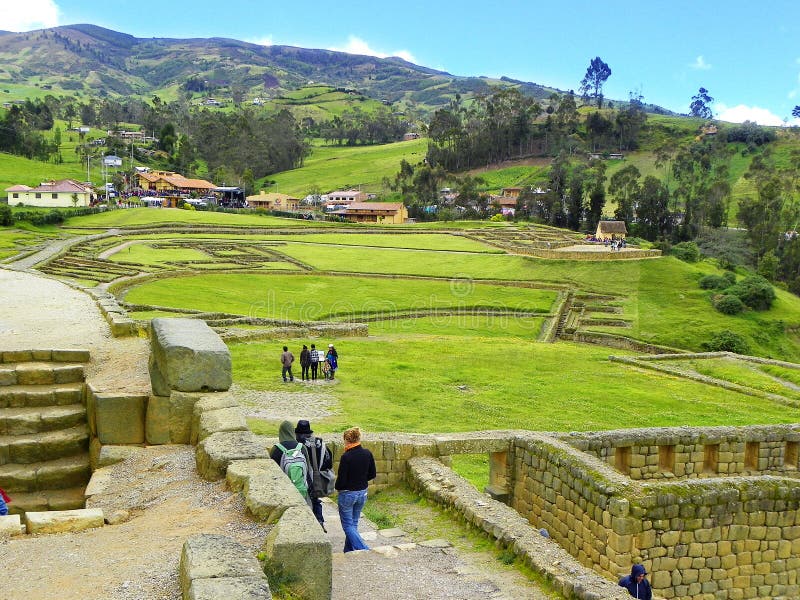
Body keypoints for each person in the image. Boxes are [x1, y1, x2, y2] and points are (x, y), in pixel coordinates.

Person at [335, 427, 376, 552]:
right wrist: (361, 480)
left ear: (347, 440)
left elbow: (341, 480)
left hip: (348, 494)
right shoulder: (367, 453)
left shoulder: (346, 457)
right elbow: (372, 474)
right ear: (358, 438)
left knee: (348, 525)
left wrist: (338, 488)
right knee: (353, 523)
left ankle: (364, 549)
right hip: (362, 493)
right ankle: (348, 550)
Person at [295, 419, 334, 532]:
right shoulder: (320, 443)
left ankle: (309, 526)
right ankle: (320, 521)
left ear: (297, 433)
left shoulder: (298, 445)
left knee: (305, 501)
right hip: (318, 478)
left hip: (304, 478)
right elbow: (329, 462)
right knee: (316, 500)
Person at [270, 421, 312, 507]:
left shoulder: (276, 449)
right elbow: (308, 469)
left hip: (284, 491)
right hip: (301, 489)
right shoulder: (302, 447)